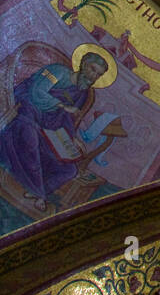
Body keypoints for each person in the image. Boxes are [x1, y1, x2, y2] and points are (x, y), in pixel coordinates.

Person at [0, 52, 108, 209]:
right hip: (27, 114)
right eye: (93, 69)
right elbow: (36, 91)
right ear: (83, 64)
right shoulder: (58, 71)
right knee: (31, 139)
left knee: (69, 170)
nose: (94, 76)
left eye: (98, 74)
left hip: (49, 129)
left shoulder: (82, 93)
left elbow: (67, 120)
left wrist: (72, 138)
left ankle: (37, 191)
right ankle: (39, 194)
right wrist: (62, 105)